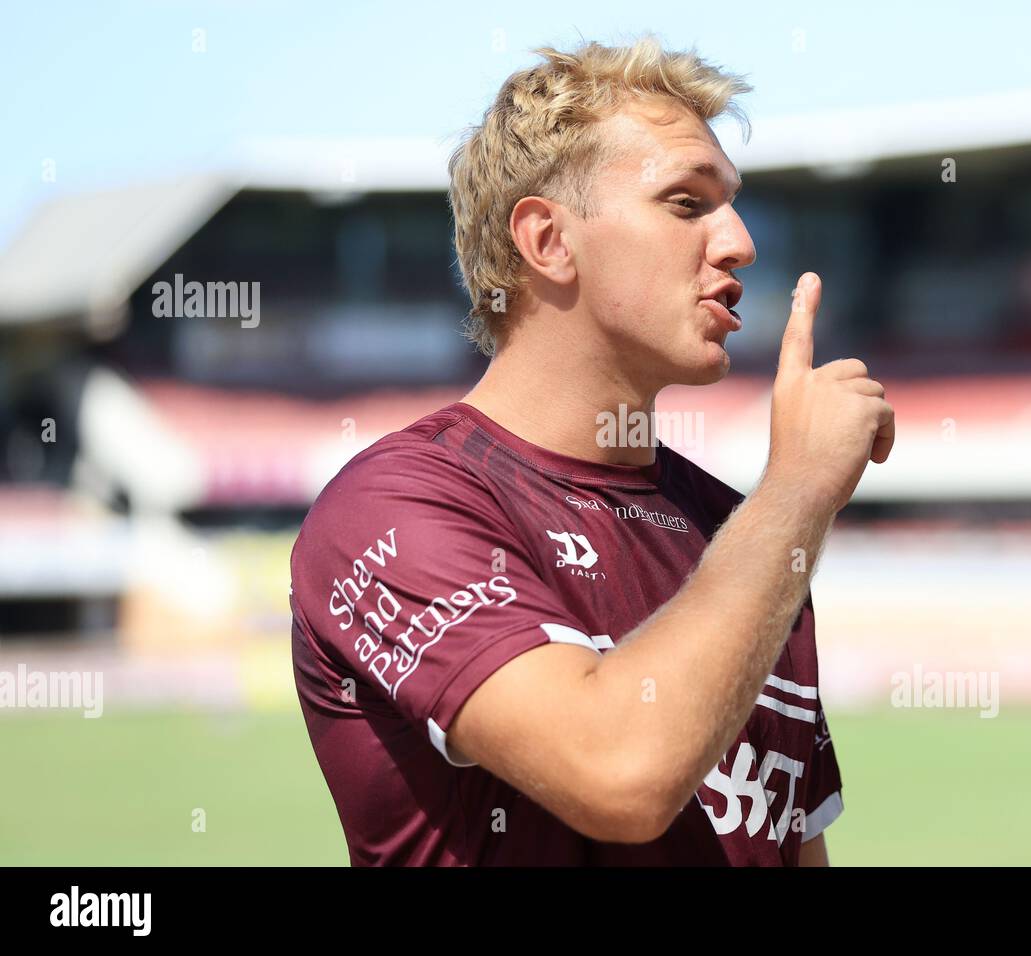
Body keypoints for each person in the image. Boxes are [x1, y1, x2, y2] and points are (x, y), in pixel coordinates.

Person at [289, 35, 894, 866]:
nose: (740, 244)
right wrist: (794, 491)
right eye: (686, 204)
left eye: (731, 206)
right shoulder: (394, 506)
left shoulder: (740, 530)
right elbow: (620, 776)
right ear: (548, 242)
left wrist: (782, 509)